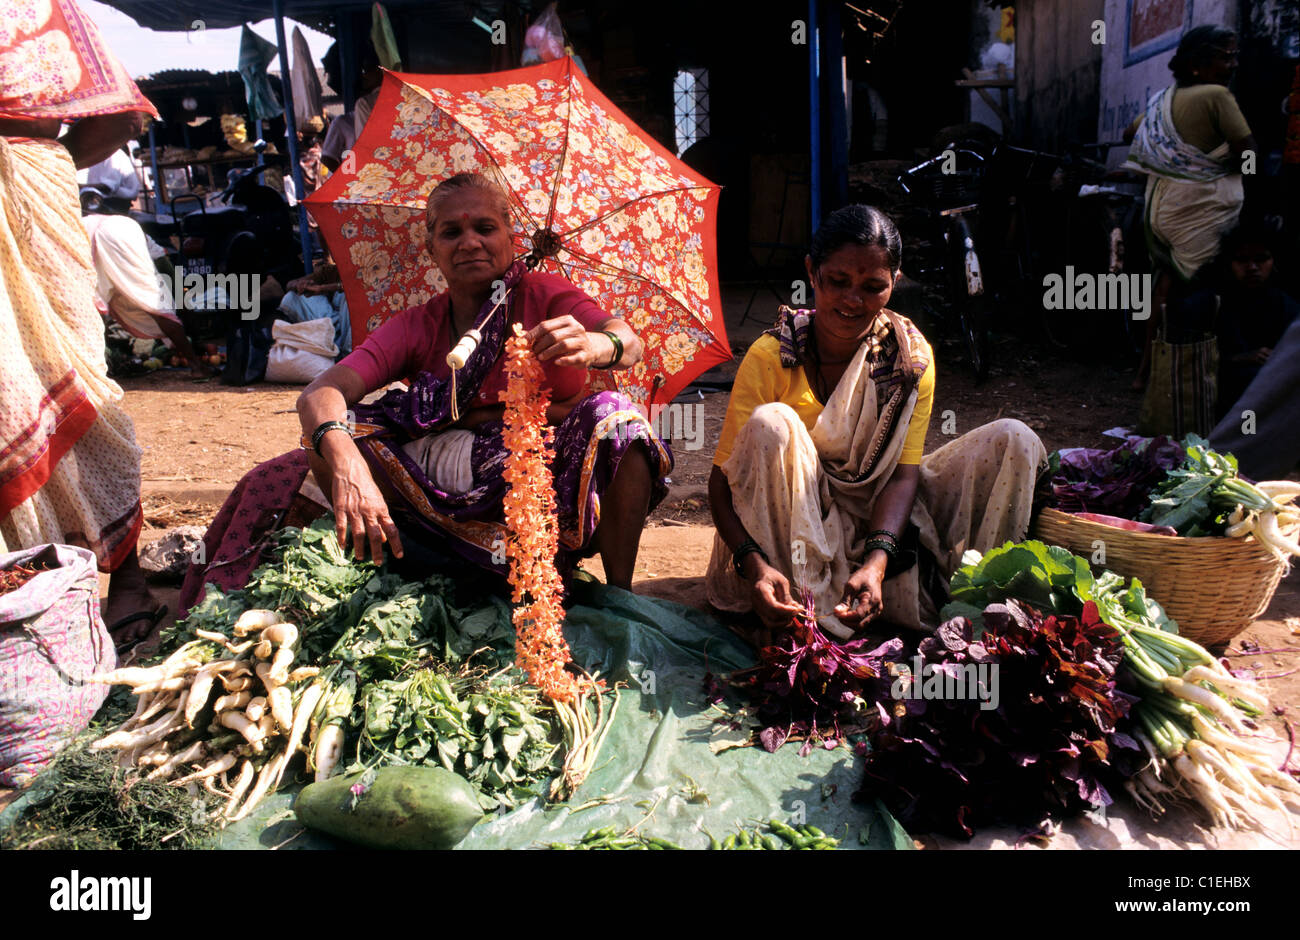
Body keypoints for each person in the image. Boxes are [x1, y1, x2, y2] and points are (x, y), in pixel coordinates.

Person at [181, 172, 670, 610]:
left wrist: (596, 343)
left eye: (485, 228)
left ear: (510, 237)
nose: (470, 243)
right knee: (331, 438)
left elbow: (629, 342)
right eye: (451, 232)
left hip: (543, 466)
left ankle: (618, 596)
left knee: (618, 420)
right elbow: (320, 393)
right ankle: (426, 566)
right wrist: (350, 467)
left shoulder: (545, 295)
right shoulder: (419, 324)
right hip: (449, 477)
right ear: (431, 248)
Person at [705, 205, 1046, 638]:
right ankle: (806, 603)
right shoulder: (772, 357)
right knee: (774, 423)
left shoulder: (910, 361)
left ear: (894, 283)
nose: (853, 301)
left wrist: (877, 562)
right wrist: (754, 565)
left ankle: (977, 604)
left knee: (1014, 438)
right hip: (787, 532)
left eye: (872, 287)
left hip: (878, 521)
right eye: (839, 282)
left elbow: (903, 478)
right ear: (812, 273)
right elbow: (722, 484)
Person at [0, 0, 164, 650]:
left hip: (38, 196)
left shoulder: (53, 10)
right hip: (39, 169)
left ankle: (124, 580)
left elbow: (121, 110)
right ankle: (29, 598)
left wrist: (49, 158)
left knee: (80, 385)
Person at [1123, 25, 1256, 389]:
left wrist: (1177, 155)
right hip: (1203, 215)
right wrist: (1231, 174)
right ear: (1197, 65)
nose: (1232, 65)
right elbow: (1248, 152)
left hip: (1164, 214)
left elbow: (1128, 134)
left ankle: (1146, 374)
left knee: (1165, 288)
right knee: (1209, 292)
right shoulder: (1217, 96)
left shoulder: (1163, 99)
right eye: (1224, 57)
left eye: (1233, 56)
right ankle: (1199, 376)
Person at [80, 212, 212, 378]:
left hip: (92, 239)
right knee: (157, 306)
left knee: (89, 307)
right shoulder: (133, 233)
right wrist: (183, 307)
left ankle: (93, 370)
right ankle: (196, 365)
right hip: (114, 233)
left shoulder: (89, 226)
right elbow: (167, 273)